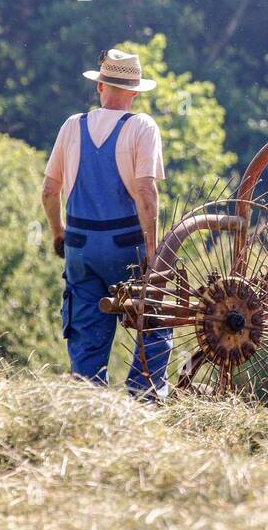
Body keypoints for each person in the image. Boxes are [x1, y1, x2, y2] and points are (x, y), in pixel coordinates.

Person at [41, 48, 171, 396]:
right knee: (155, 319)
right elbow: (145, 191)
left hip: (80, 247)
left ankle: (89, 404)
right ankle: (142, 397)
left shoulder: (72, 126)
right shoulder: (142, 126)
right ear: (133, 92)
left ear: (100, 86)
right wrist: (154, 250)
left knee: (86, 332)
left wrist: (58, 233)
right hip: (125, 247)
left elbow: (49, 191)